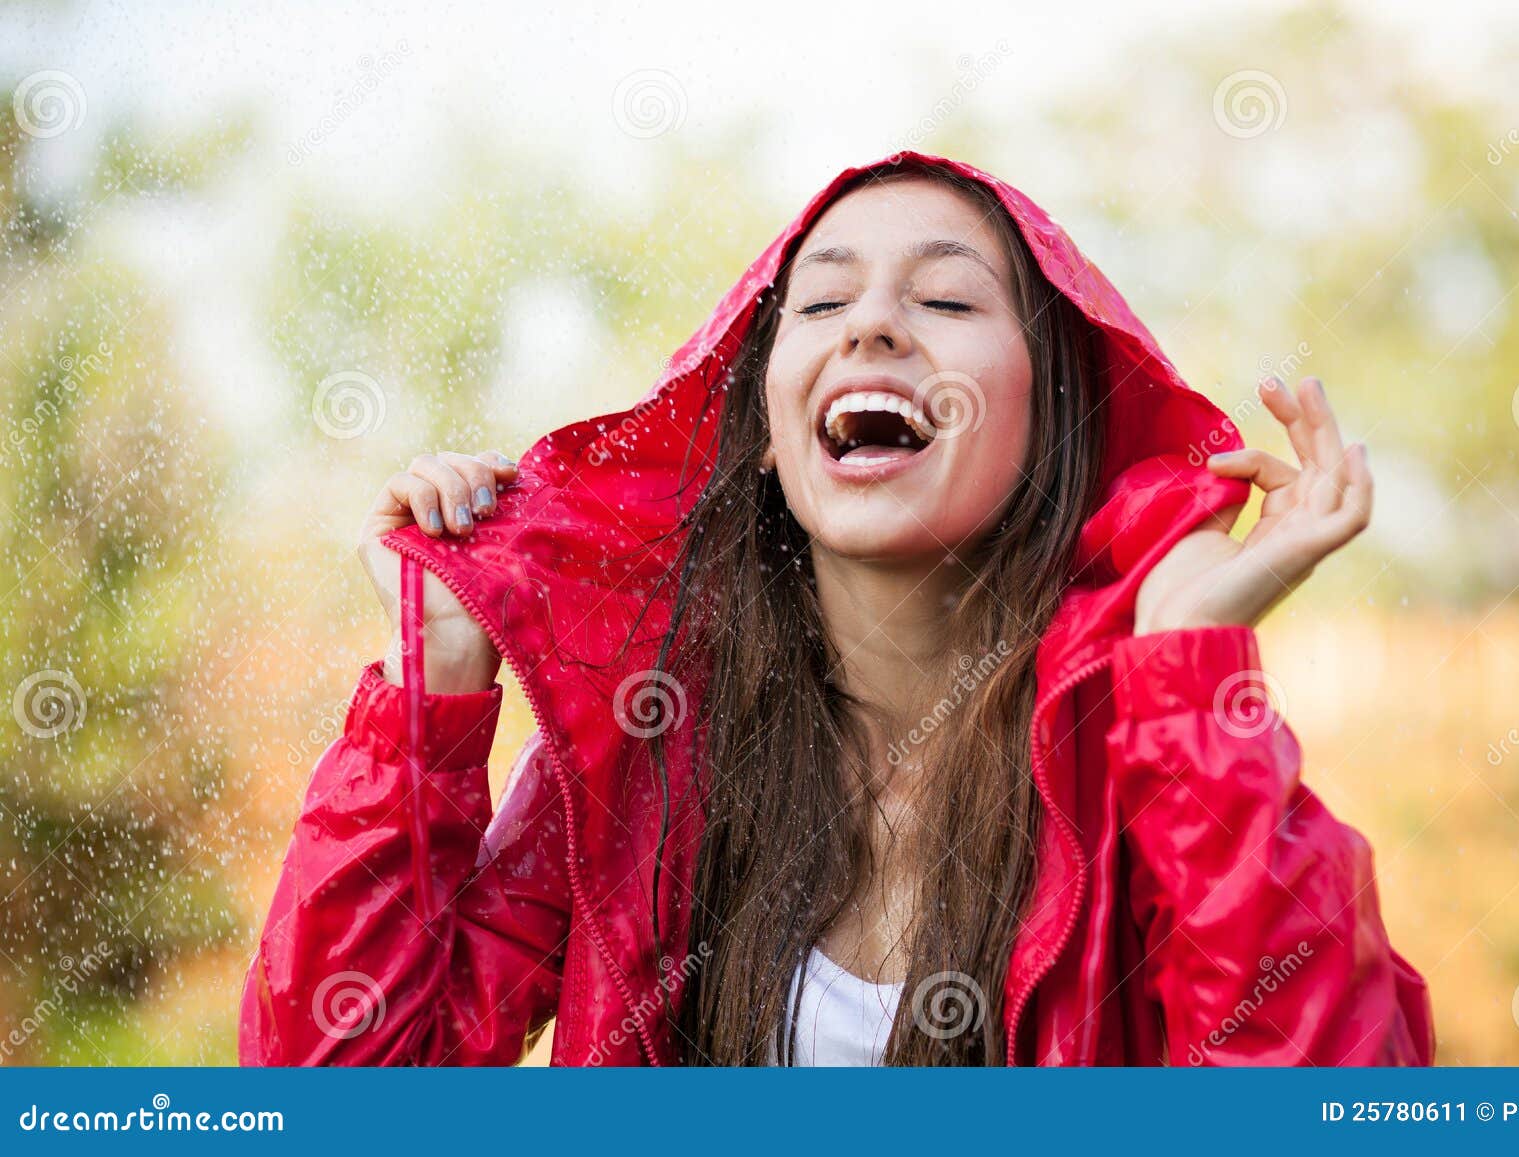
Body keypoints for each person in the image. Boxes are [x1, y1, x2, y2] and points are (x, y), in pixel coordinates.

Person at [238, 152, 1434, 1067]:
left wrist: (1188, 667)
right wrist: (429, 687)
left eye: (948, 301)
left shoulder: (1146, 756)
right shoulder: (640, 744)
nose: (872, 323)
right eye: (820, 304)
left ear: (1051, 418)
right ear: (764, 430)